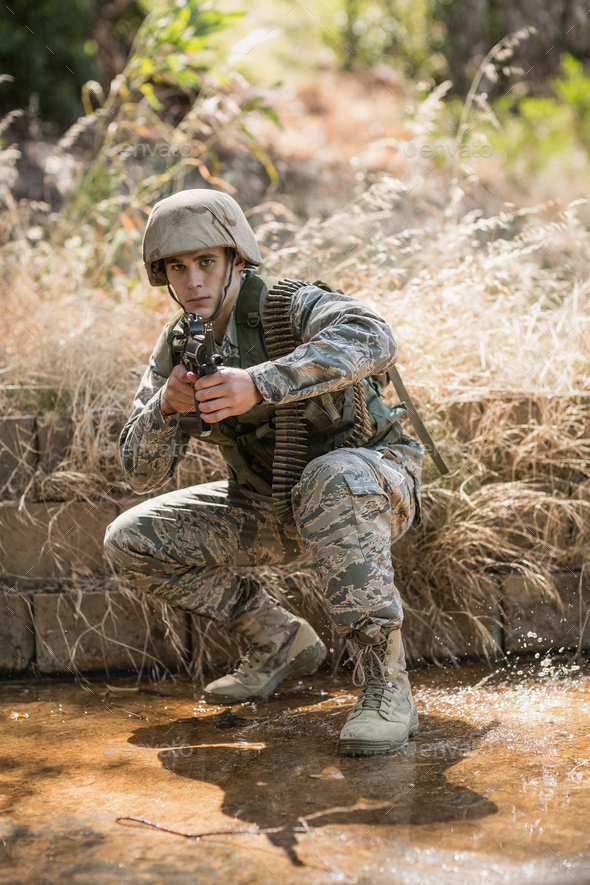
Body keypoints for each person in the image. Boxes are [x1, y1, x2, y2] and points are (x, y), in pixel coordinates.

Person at [104, 188, 424, 756]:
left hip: (370, 489)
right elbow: (139, 471)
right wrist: (167, 408)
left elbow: (375, 336)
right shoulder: (180, 345)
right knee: (131, 540)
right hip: (273, 505)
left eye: (206, 263)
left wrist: (261, 382)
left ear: (236, 261)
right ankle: (278, 641)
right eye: (178, 268)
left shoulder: (286, 304)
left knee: (333, 476)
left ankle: (385, 686)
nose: (193, 281)